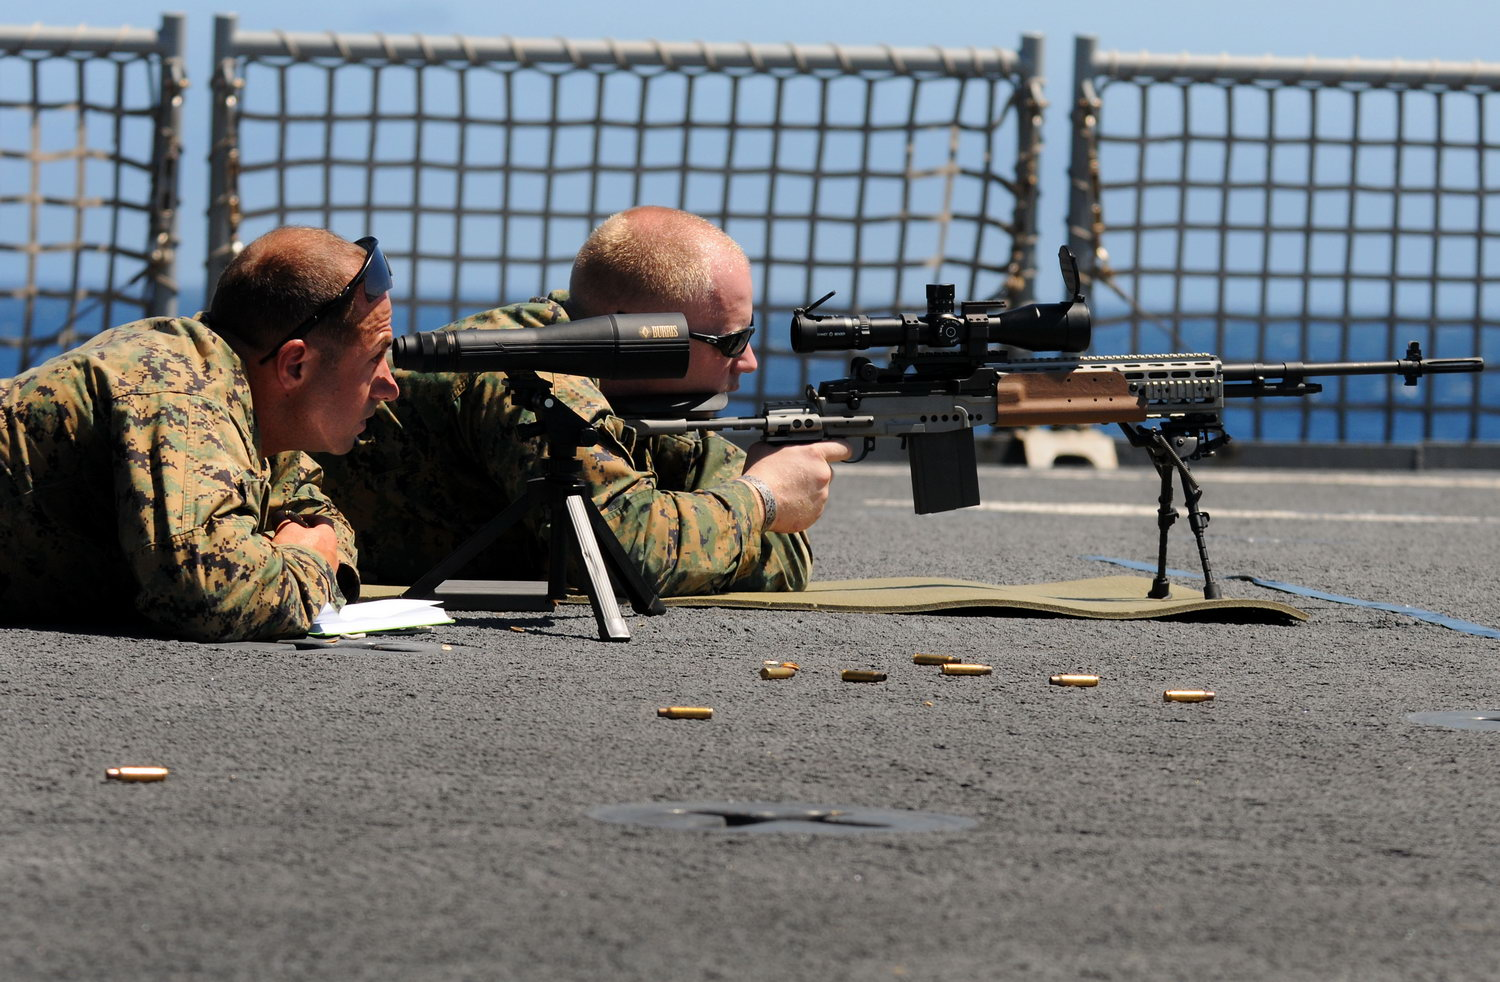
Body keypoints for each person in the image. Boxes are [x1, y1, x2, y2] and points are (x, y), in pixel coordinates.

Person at [316, 206, 849, 595]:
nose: (750, 361)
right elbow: (625, 557)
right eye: (730, 341)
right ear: (645, 336)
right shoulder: (528, 373)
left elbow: (787, 554)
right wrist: (761, 500)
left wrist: (736, 519)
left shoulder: (655, 392)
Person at [0, 226, 401, 641]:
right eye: (374, 357)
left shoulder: (247, 397)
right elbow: (212, 594)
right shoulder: (182, 393)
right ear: (295, 365)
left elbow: (318, 516)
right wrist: (310, 561)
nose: (391, 386)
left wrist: (310, 546)